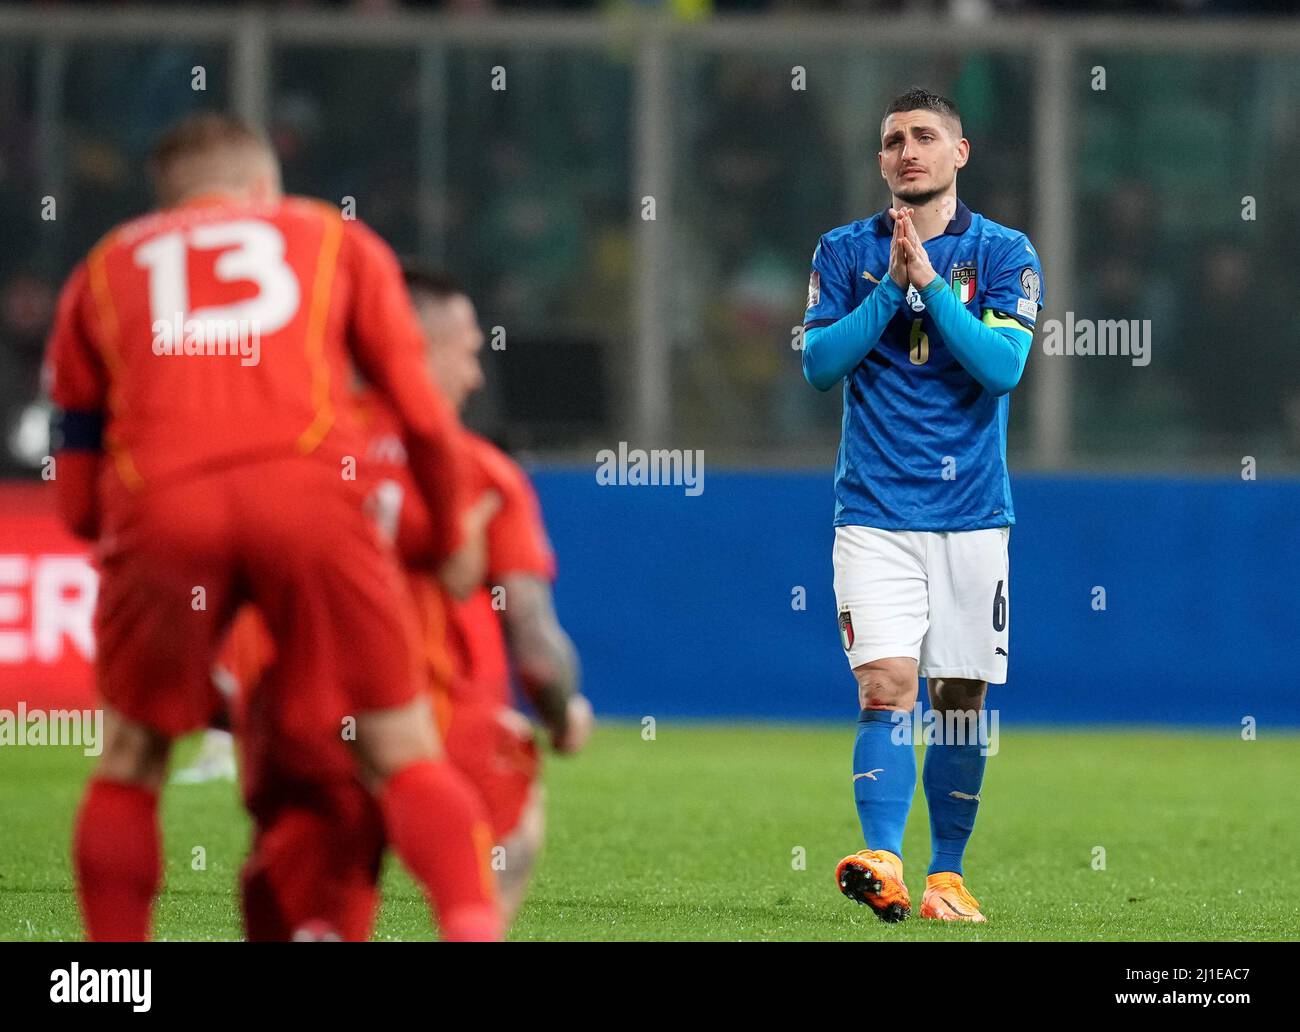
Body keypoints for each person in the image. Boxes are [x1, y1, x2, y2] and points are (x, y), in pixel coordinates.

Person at [46, 112, 500, 941]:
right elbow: (427, 419)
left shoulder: (102, 270)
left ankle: (112, 981)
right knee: (400, 744)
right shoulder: (328, 235)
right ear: (263, 187)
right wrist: (442, 529)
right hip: (311, 491)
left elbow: (75, 500)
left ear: (169, 199)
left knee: (131, 763)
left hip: (162, 502)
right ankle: (472, 928)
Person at [801, 88, 1044, 924]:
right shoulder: (842, 251)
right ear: (880, 160)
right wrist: (888, 290)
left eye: (925, 137)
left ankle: (946, 876)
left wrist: (934, 286)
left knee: (961, 700)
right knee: (886, 684)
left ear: (959, 153)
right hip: (872, 513)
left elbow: (1001, 367)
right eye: (894, 140)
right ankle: (884, 858)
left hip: (974, 515)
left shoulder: (1007, 253)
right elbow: (820, 364)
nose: (908, 150)